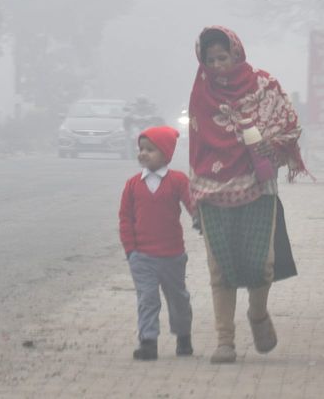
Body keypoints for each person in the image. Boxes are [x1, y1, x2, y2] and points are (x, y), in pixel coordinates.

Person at [189, 26, 306, 364]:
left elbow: (289, 123)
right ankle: (225, 341)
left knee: (261, 263)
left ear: (236, 54)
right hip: (213, 190)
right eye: (210, 60)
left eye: (222, 57)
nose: (217, 65)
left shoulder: (263, 85)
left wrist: (268, 141)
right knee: (220, 268)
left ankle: (257, 314)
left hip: (258, 186)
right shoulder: (200, 94)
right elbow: (199, 143)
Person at [118, 125, 194, 361]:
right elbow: (125, 218)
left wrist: (202, 220)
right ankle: (148, 341)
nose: (143, 153)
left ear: (165, 153)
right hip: (142, 256)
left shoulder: (178, 180)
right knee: (147, 299)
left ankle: (183, 337)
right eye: (141, 148)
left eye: (150, 149)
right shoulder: (132, 184)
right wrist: (131, 251)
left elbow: (192, 205)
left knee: (178, 298)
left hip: (173, 255)